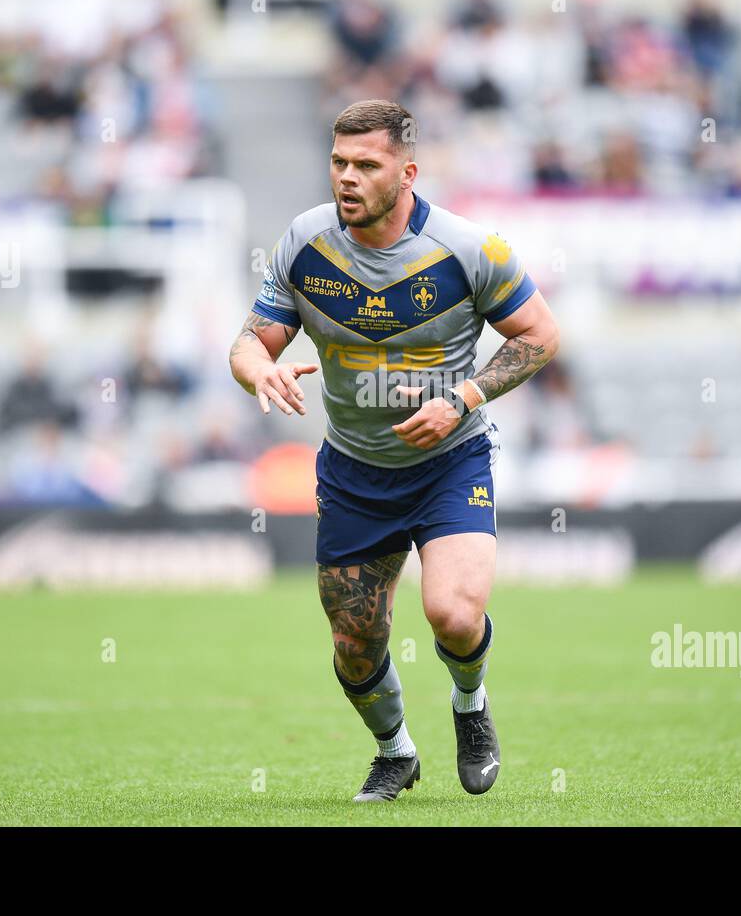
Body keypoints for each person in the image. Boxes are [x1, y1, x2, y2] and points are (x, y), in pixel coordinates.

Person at [228, 100, 559, 801]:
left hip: (451, 460)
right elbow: (249, 340)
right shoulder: (304, 243)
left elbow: (539, 335)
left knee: (455, 614)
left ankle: (470, 707)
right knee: (354, 647)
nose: (346, 178)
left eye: (366, 165)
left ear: (407, 172)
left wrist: (463, 400)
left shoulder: (472, 250)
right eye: (338, 163)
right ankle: (396, 752)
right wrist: (262, 368)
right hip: (353, 471)